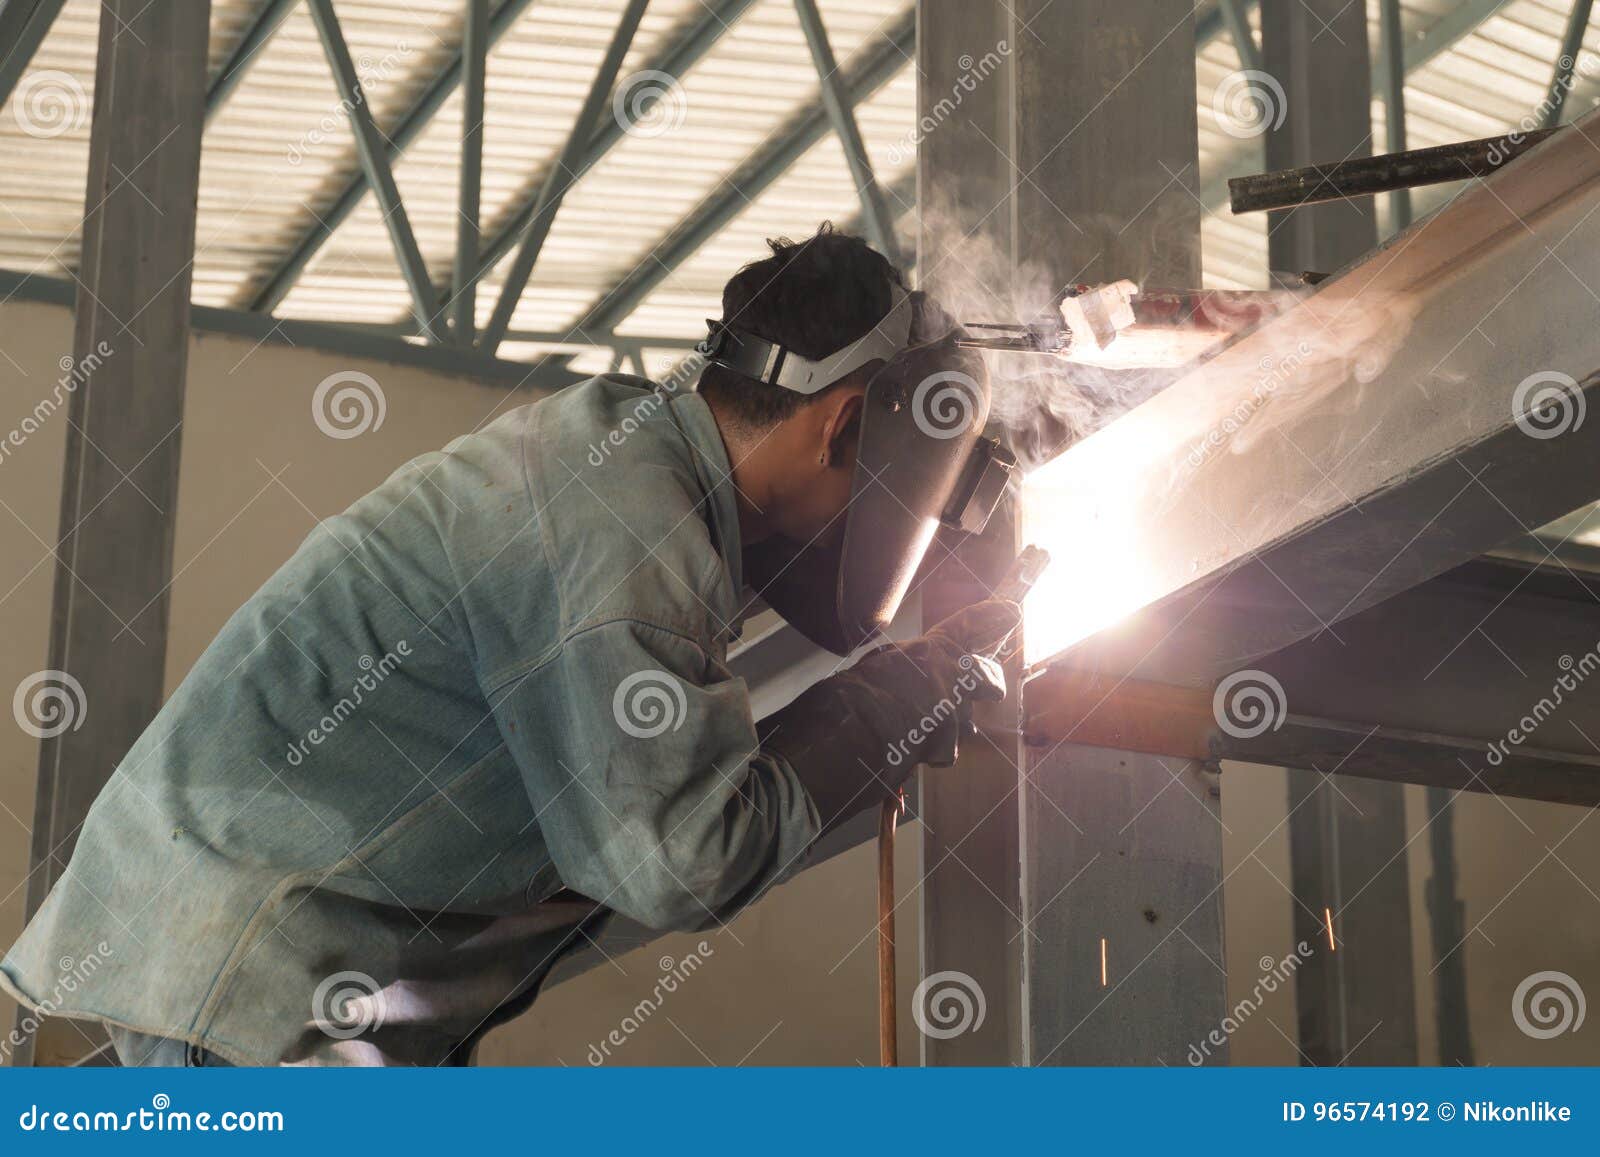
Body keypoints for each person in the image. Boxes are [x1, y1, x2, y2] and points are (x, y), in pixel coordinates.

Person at [1, 224, 1019, 1066]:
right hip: (261, 985)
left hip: (232, 967)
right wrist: (888, 706)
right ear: (842, 424)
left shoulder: (620, 456)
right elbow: (684, 859)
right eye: (878, 485)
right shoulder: (626, 527)